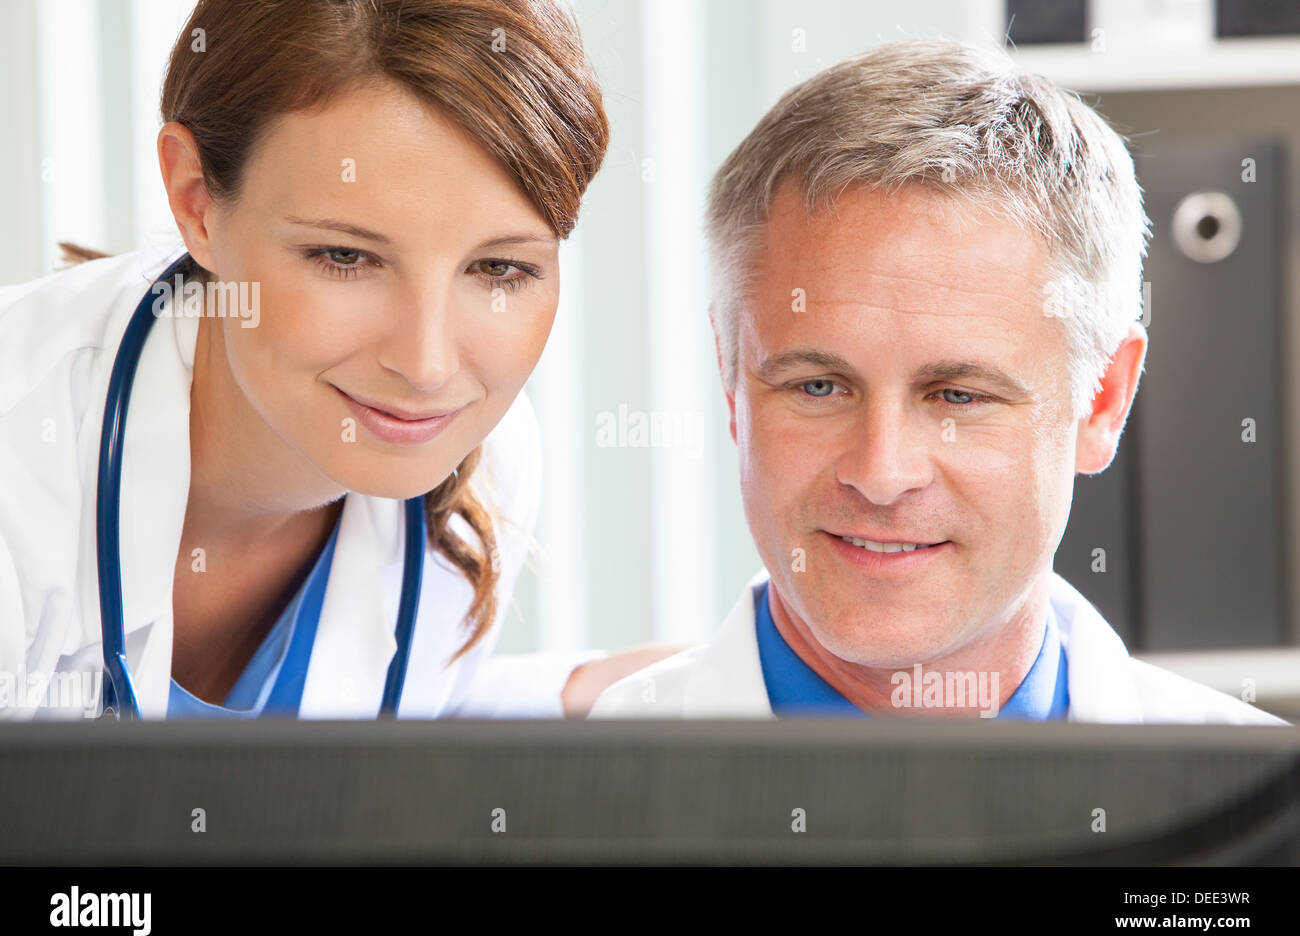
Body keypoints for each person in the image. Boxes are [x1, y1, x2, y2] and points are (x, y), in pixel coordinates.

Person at [0, 0, 673, 720]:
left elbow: (401, 730)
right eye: (346, 257)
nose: (428, 366)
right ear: (197, 203)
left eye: (500, 269)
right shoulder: (25, 447)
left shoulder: (488, 467)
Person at [590, 39, 1286, 724]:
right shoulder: (571, 807)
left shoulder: (1268, 813)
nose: (881, 475)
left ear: (1102, 400)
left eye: (958, 395)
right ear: (730, 376)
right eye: (819, 387)